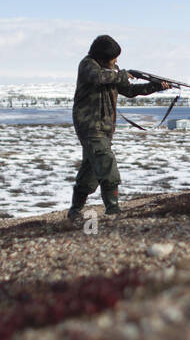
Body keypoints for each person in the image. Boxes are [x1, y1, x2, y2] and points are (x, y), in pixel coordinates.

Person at [68, 35, 171, 224]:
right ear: (101, 56)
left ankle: (74, 210)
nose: (116, 62)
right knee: (106, 161)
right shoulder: (87, 65)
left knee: (91, 168)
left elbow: (129, 91)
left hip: (105, 127)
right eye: (113, 58)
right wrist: (122, 74)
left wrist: (155, 86)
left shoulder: (112, 71)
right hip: (89, 126)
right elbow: (100, 78)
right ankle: (113, 208)